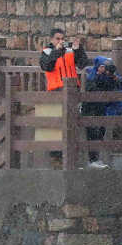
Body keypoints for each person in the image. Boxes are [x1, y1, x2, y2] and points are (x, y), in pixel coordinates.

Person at [36, 29, 89, 168]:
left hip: (72, 92)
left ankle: (73, 159)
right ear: (52, 40)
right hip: (55, 92)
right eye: (57, 39)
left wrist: (78, 50)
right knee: (56, 127)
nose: (61, 41)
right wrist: (57, 51)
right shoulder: (47, 52)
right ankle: (57, 159)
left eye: (62, 39)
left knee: (73, 124)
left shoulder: (70, 50)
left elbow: (83, 64)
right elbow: (46, 66)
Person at [81, 56, 122, 168]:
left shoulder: (108, 76)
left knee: (101, 133)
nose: (104, 68)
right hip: (90, 110)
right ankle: (92, 160)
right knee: (92, 134)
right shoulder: (91, 76)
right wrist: (101, 79)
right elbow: (92, 89)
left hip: (102, 109)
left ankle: (96, 159)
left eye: (105, 66)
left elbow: (120, 85)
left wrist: (113, 77)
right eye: (102, 66)